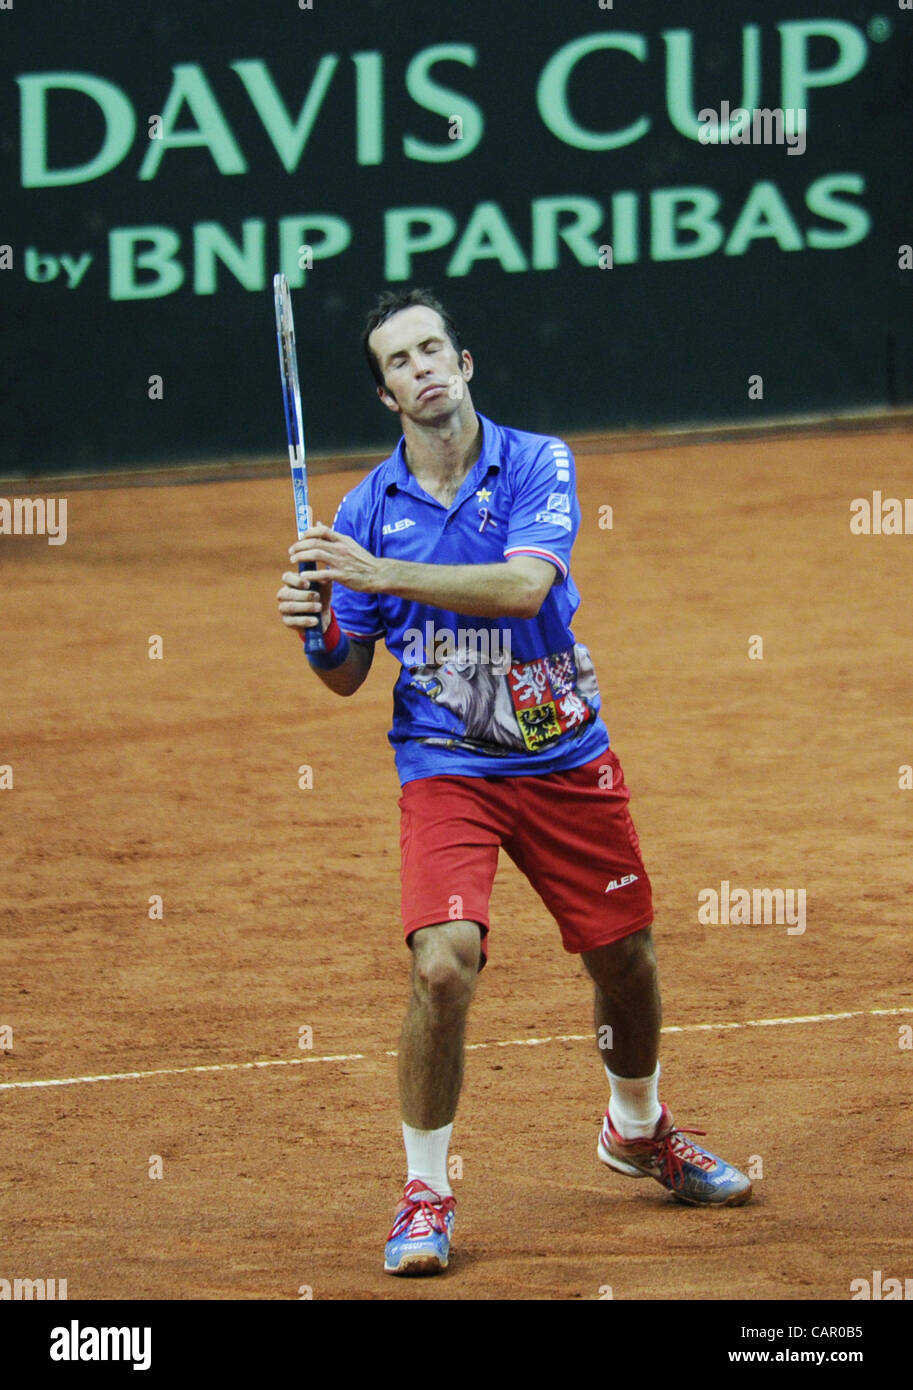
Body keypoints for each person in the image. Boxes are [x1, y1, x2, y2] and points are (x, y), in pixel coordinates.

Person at [276, 288, 751, 1277]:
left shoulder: (537, 460)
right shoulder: (366, 512)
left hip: (560, 746)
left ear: (466, 361)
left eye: (433, 347)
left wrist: (378, 574)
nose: (423, 366)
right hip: (447, 760)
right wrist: (316, 623)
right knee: (442, 963)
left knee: (624, 958)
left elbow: (524, 586)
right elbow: (345, 673)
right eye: (400, 360)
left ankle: (636, 1126)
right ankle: (425, 1191)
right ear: (385, 395)